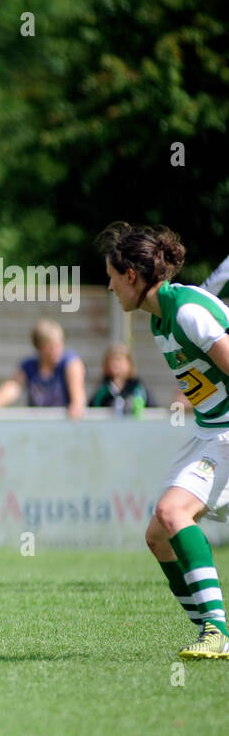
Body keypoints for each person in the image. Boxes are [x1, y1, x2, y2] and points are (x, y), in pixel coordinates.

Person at [100, 223, 229, 660]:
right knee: (158, 535)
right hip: (209, 430)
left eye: (113, 276)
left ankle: (217, 630)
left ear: (132, 276)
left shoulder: (188, 311)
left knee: (173, 512)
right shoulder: (160, 319)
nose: (110, 286)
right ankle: (211, 631)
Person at [0, 318, 86, 420]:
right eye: (51, 347)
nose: (57, 350)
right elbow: (13, 386)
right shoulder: (29, 366)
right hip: (38, 427)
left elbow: (78, 393)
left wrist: (77, 405)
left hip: (64, 426)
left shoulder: (70, 362)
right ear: (39, 348)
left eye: (59, 344)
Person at [87, 342, 148, 414]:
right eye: (112, 361)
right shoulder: (102, 389)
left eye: (120, 360)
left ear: (129, 364)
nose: (116, 365)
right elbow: (92, 411)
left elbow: (153, 411)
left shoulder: (138, 388)